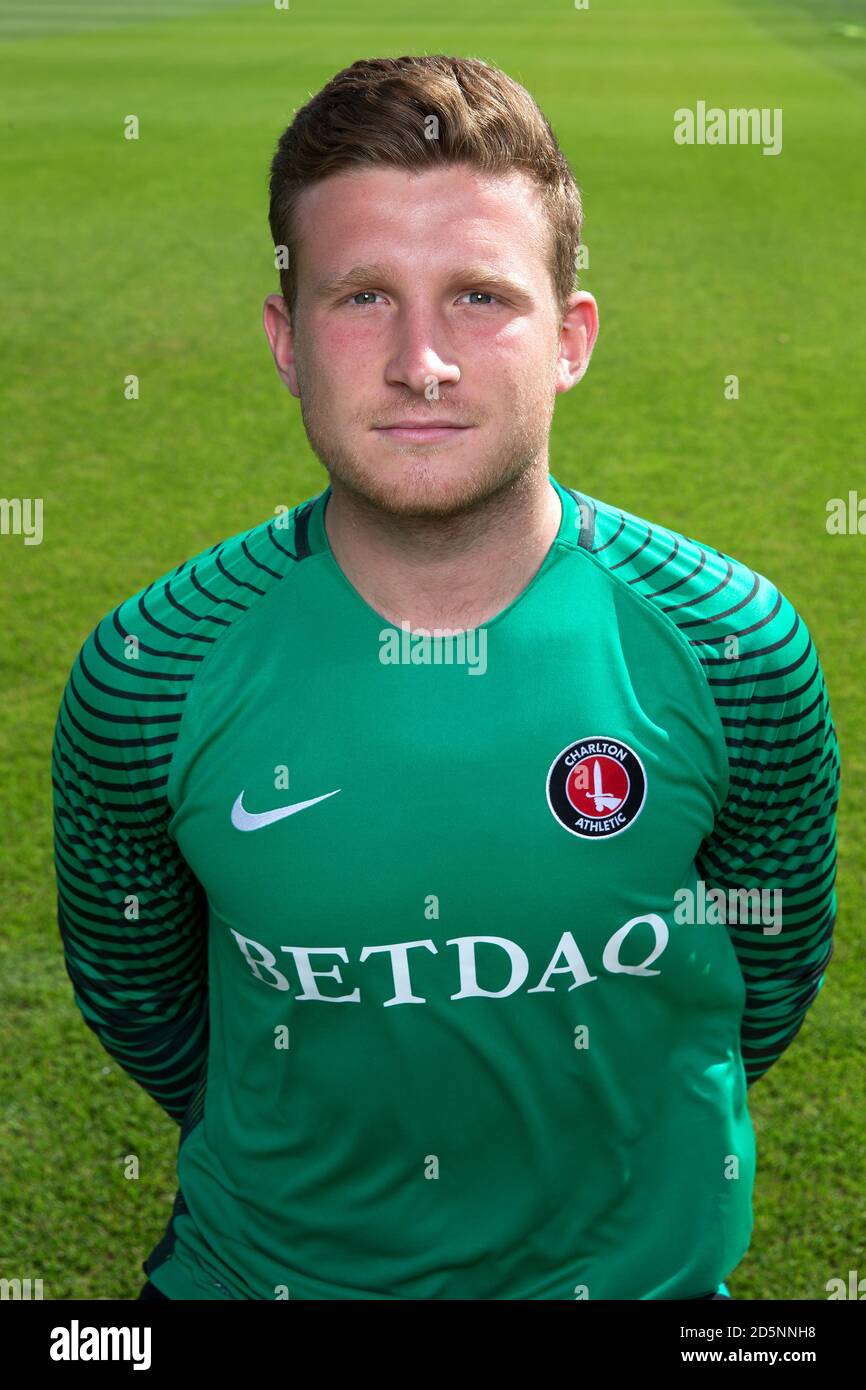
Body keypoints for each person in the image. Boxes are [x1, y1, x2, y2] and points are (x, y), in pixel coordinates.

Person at [51, 54, 839, 1302]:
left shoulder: (734, 644)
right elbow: (141, 999)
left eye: (479, 297)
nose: (422, 360)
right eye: (362, 298)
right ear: (284, 339)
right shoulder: (151, 673)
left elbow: (770, 968)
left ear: (571, 338)